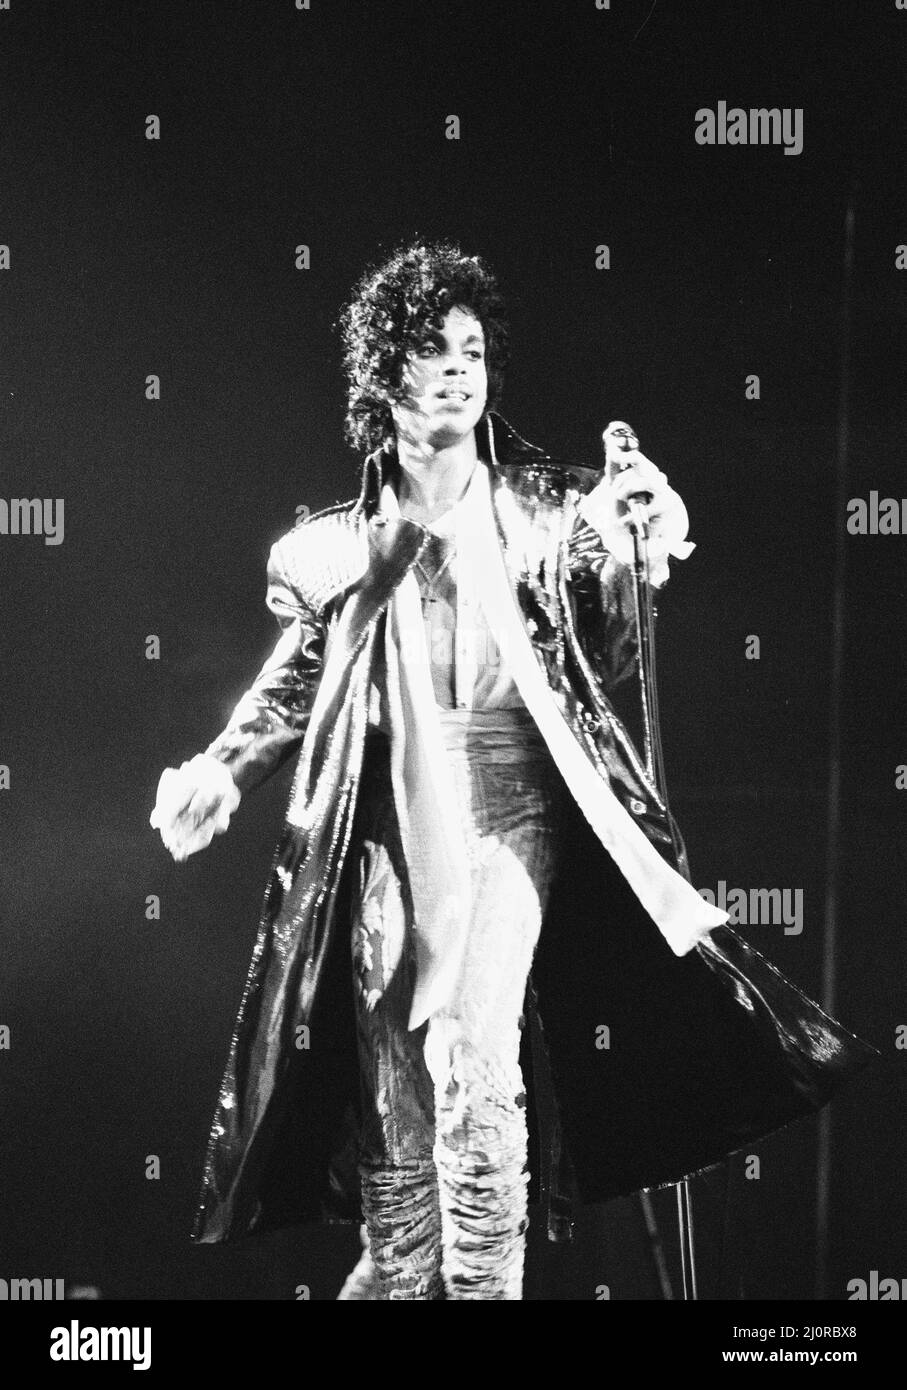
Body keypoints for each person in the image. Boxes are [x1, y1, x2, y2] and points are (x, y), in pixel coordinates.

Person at [151, 240, 876, 1300]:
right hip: (389, 817)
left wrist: (633, 538)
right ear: (381, 378)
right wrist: (221, 768)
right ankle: (401, 1278)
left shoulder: (545, 511)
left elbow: (610, 654)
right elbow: (296, 678)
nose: (456, 367)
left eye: (473, 349)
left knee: (466, 1044)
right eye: (429, 349)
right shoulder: (330, 547)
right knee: (399, 1102)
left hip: (507, 803)